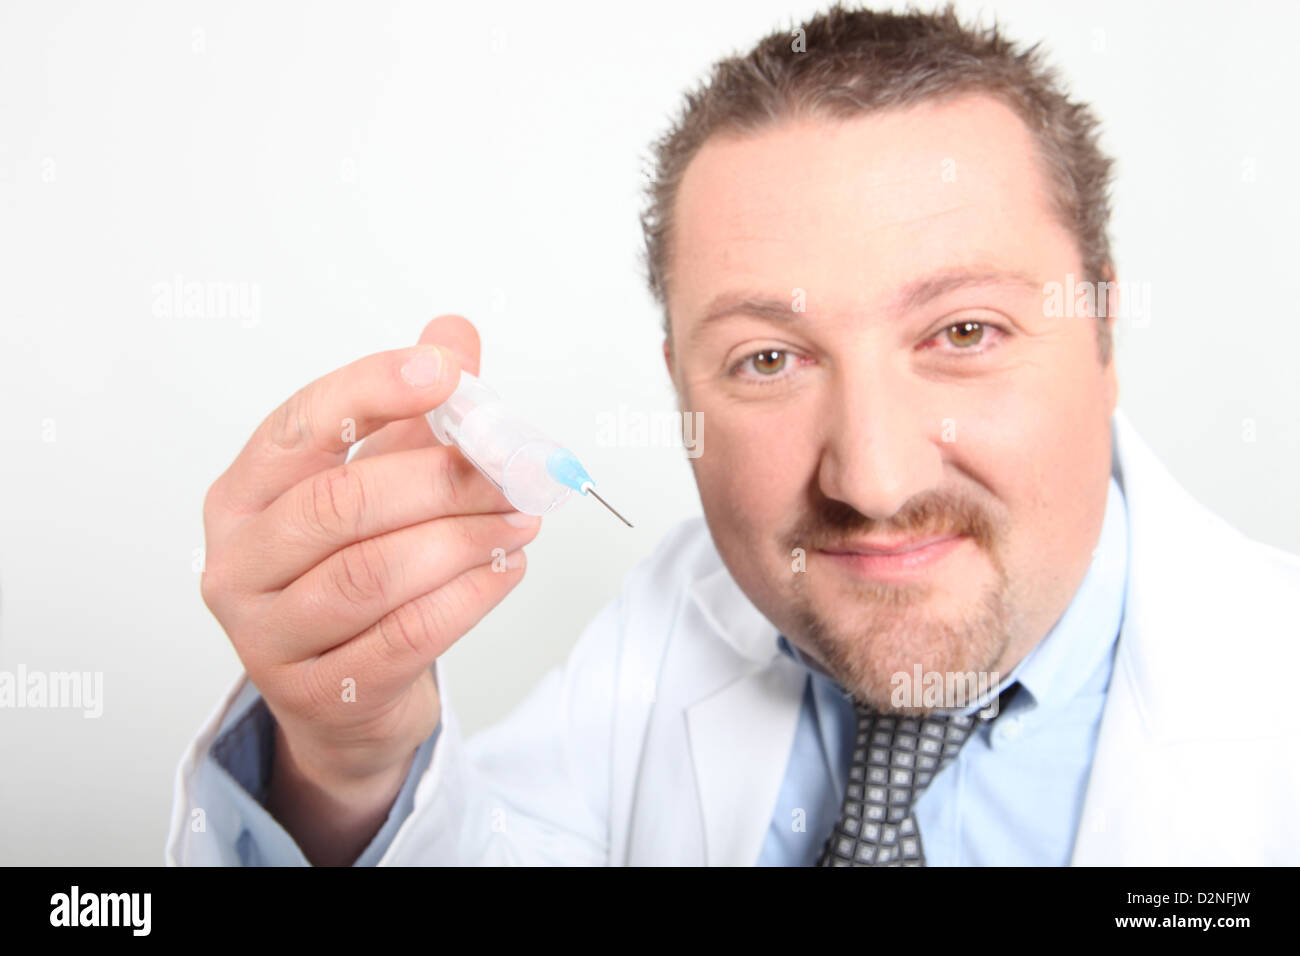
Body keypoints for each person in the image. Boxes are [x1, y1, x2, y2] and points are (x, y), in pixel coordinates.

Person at [167, 3, 1300, 866]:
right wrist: (345, 757)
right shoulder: (676, 619)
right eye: (768, 358)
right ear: (681, 389)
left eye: (963, 329)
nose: (873, 478)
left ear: (1099, 329)